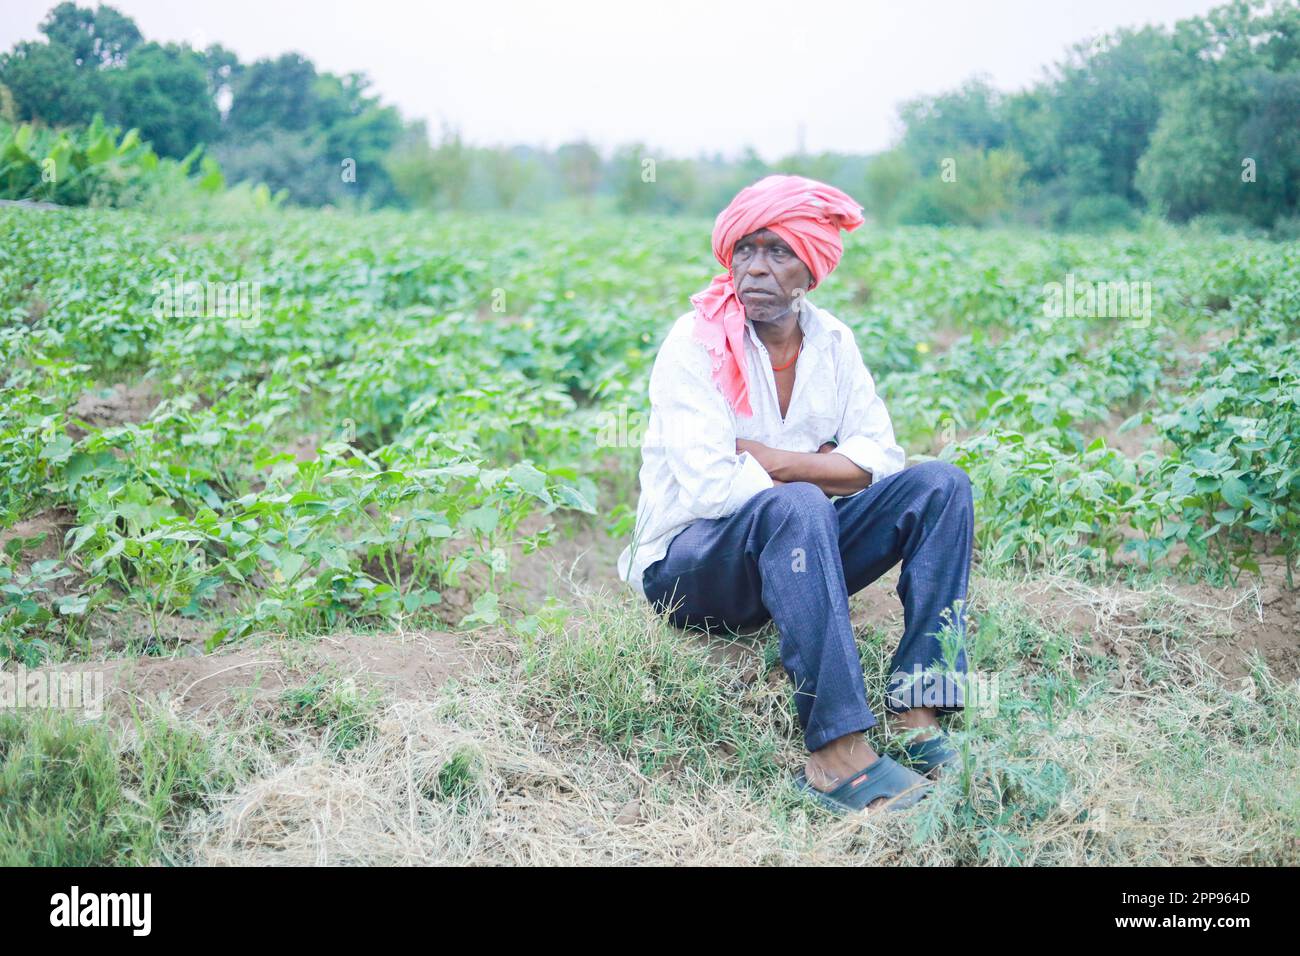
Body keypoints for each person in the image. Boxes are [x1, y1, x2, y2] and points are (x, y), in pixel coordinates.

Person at [616, 175, 975, 813]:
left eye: (777, 252)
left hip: (796, 557)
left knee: (942, 485)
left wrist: (779, 460)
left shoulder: (832, 342)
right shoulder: (693, 343)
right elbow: (710, 488)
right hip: (692, 571)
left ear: (811, 268)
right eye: (745, 250)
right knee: (801, 504)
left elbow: (882, 458)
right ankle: (835, 755)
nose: (756, 268)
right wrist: (821, 469)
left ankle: (919, 712)